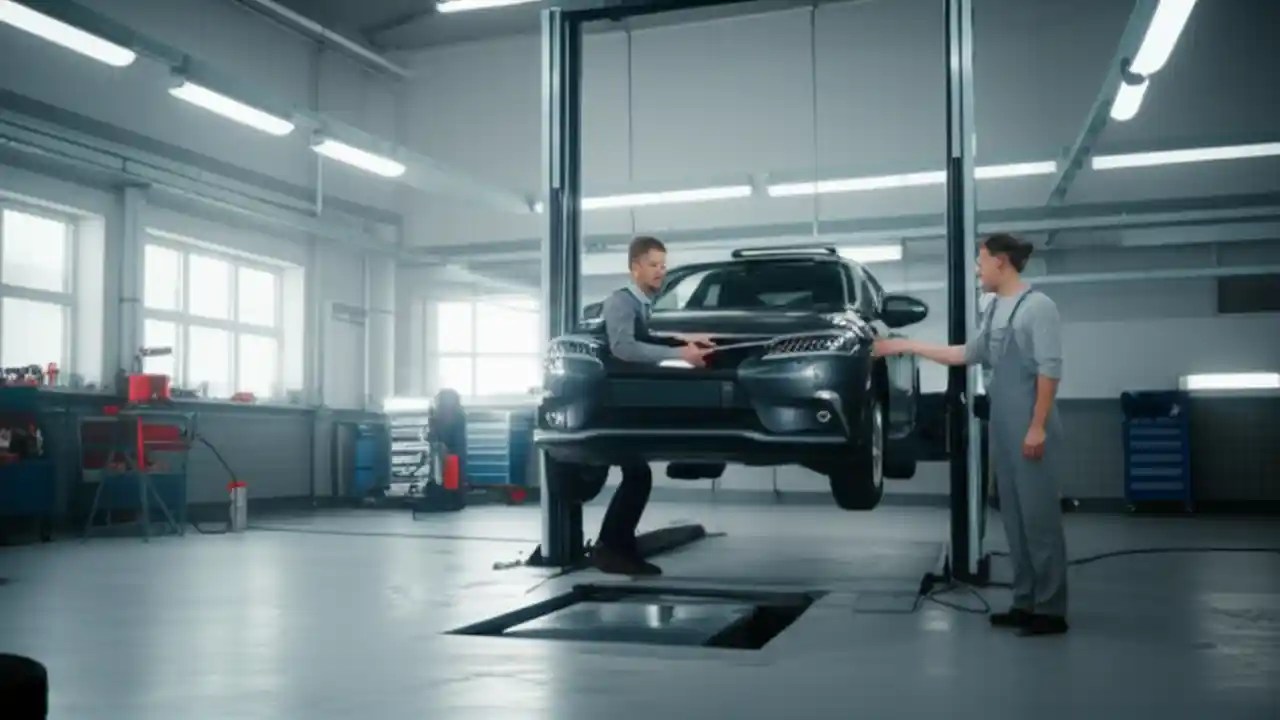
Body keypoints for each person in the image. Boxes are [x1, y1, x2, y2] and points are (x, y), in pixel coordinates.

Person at [875, 233, 1069, 636]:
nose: (977, 270)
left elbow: (1050, 370)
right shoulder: (992, 307)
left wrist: (1036, 426)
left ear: (1001, 262)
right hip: (1002, 418)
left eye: (981, 262)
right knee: (1013, 517)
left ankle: (1051, 610)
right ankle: (1024, 601)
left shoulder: (1038, 308)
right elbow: (966, 354)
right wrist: (903, 345)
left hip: (1032, 421)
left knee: (1039, 520)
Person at [590, 235, 714, 576]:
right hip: (611, 406)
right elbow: (624, 348)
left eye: (663, 265)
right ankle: (612, 549)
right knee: (637, 474)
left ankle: (617, 545)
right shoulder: (621, 302)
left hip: (629, 402)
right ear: (634, 268)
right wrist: (680, 354)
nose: (661, 271)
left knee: (638, 474)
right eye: (653, 265)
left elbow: (649, 339)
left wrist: (684, 341)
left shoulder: (646, 304)